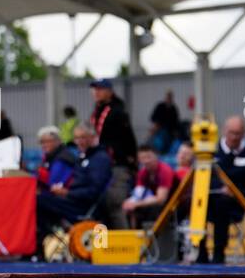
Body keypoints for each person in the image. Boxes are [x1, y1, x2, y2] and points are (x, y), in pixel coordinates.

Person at [196, 115, 245, 265]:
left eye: (238, 133)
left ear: (244, 133)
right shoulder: (210, 153)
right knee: (194, 203)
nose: (234, 137)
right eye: (231, 132)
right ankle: (199, 252)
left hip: (234, 206)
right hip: (208, 203)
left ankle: (219, 254)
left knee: (222, 203)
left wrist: (235, 193)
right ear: (224, 131)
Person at [36, 125, 113, 241]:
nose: (78, 142)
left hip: (82, 205)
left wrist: (67, 193)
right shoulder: (83, 157)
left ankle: (42, 244)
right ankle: (52, 239)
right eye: (76, 138)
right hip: (72, 200)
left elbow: (94, 191)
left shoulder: (99, 159)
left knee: (37, 201)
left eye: (83, 138)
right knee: (37, 200)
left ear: (92, 138)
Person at [89, 78, 138, 228]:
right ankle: (102, 246)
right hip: (100, 163)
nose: (96, 92)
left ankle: (125, 245)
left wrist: (129, 161)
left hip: (116, 165)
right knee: (99, 205)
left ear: (109, 91)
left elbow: (128, 140)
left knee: (115, 203)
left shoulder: (117, 112)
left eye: (100, 89)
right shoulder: (98, 110)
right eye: (94, 89)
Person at [122, 144, 175, 235]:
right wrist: (129, 202)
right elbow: (138, 194)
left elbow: (161, 199)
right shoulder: (142, 173)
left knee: (151, 208)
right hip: (152, 202)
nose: (146, 161)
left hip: (170, 204)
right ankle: (134, 234)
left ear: (156, 156)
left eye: (148, 157)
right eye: (142, 158)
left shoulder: (165, 171)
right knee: (129, 208)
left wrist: (136, 204)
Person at [34, 126, 76, 194]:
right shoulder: (49, 156)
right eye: (42, 142)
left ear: (58, 141)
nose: (44, 145)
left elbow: (53, 185)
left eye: (48, 141)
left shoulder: (63, 159)